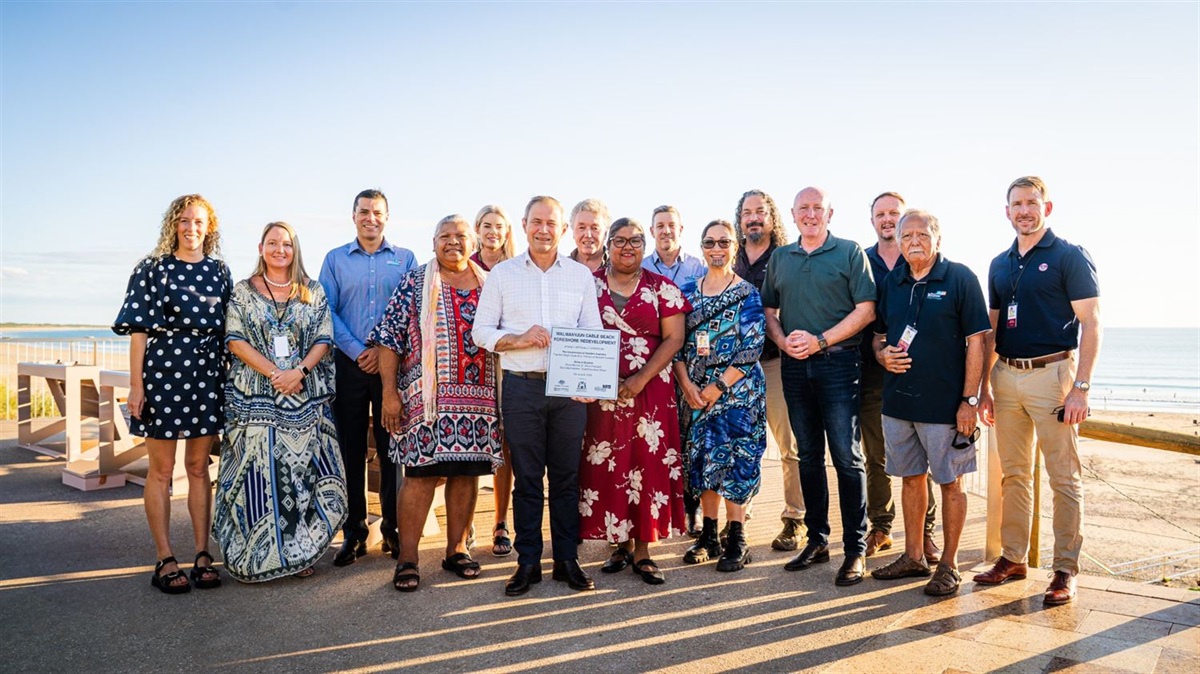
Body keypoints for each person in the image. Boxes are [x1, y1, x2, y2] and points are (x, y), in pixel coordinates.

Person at [975, 176, 1101, 606]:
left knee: (1063, 478)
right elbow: (991, 329)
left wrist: (1080, 388)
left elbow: (1092, 323)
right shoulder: (999, 263)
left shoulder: (1069, 256)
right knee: (1013, 475)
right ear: (1006, 211)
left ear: (1047, 208)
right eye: (1017, 204)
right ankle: (1012, 558)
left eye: (1032, 203)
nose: (1024, 210)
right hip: (1005, 377)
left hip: (1054, 376)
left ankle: (1065, 569)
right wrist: (982, 388)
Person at [473, 195, 603, 597]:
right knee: (527, 479)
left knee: (566, 478)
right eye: (536, 222)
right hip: (522, 386)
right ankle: (527, 562)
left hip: (567, 393)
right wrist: (518, 338)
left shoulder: (579, 275)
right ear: (525, 225)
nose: (544, 229)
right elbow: (482, 331)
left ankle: (566, 560)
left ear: (562, 230)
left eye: (552, 223)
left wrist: (589, 383)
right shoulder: (503, 274)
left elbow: (593, 333)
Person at [370, 215, 504, 591]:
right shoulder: (414, 283)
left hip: (478, 403)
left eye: (460, 236)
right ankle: (408, 558)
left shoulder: (490, 285)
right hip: (425, 404)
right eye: (444, 236)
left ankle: (457, 550)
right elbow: (389, 338)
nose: (453, 242)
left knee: (466, 475)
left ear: (473, 242)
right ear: (433, 243)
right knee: (420, 476)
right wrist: (389, 393)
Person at [213, 221, 347, 581]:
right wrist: (275, 372)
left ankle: (299, 554)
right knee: (255, 474)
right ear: (261, 248)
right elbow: (235, 339)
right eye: (272, 243)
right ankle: (256, 557)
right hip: (254, 398)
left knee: (300, 475)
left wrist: (298, 372)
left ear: (295, 249)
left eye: (286, 244)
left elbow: (324, 337)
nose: (279, 250)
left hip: (303, 399)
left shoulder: (312, 291)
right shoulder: (242, 291)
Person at [113, 194, 232, 594]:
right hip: (162, 377)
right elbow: (139, 333)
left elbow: (233, 330)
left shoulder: (220, 272)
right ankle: (165, 558)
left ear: (209, 227)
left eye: (199, 222)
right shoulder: (153, 268)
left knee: (199, 469)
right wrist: (135, 386)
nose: (191, 228)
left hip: (208, 376)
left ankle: (201, 554)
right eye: (184, 220)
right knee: (161, 472)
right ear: (173, 224)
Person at [869, 210, 989, 596]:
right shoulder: (892, 281)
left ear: (938, 238)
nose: (914, 241)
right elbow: (879, 336)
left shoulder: (960, 278)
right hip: (899, 404)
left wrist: (969, 401)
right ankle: (914, 556)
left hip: (946, 406)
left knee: (950, 483)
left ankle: (949, 565)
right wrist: (882, 356)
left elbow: (978, 341)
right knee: (910, 479)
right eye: (907, 236)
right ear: (898, 241)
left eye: (922, 234)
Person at [764, 186, 875, 586]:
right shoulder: (781, 257)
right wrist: (782, 341)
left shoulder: (849, 252)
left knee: (847, 456)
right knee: (808, 454)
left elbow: (866, 310)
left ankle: (856, 549)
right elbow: (769, 310)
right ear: (793, 215)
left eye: (818, 208)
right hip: (795, 369)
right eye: (803, 209)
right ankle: (818, 540)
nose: (811, 214)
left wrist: (822, 340)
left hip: (839, 364)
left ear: (830, 213)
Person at [581, 218, 689, 585]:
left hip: (651, 393)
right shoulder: (588, 285)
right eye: (620, 240)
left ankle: (643, 551)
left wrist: (640, 378)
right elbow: (576, 334)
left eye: (636, 241)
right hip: (602, 394)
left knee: (647, 465)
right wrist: (605, 380)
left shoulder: (663, 288)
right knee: (609, 464)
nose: (628, 247)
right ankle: (619, 544)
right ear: (608, 245)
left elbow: (674, 339)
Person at [319, 189, 417, 566]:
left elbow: (411, 312)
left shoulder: (406, 259)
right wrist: (358, 350)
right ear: (353, 216)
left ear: (387, 217)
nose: (370, 218)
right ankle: (354, 532)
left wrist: (382, 352)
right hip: (349, 364)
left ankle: (393, 528)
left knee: (393, 448)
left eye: (377, 212)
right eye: (364, 212)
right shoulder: (335, 260)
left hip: (393, 367)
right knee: (351, 450)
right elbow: (326, 310)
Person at [674, 219, 766, 573]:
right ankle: (709, 536)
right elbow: (677, 345)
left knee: (737, 463)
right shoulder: (687, 292)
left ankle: (737, 537)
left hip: (738, 394)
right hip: (696, 395)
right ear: (701, 247)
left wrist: (716, 388)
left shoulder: (747, 293)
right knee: (705, 462)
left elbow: (751, 348)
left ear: (734, 247)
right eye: (710, 243)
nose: (716, 249)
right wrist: (688, 387)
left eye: (723, 243)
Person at [860, 192, 941, 562]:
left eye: (894, 213)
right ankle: (880, 525)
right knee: (875, 454)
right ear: (872, 220)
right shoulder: (860, 260)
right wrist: (879, 353)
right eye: (881, 214)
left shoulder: (926, 260)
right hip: (873, 371)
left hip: (920, 376)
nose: (888, 219)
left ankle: (924, 532)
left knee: (919, 459)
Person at [733, 189, 801, 551]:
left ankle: (795, 518)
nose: (754, 218)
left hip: (775, 363)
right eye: (747, 212)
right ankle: (739, 513)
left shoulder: (786, 258)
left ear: (772, 218)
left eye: (761, 211)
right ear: (740, 219)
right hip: (737, 370)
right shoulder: (729, 256)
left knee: (788, 446)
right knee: (741, 444)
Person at [641, 205, 707, 535]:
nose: (666, 230)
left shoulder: (698, 267)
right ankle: (654, 510)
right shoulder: (638, 267)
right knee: (654, 443)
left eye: (672, 225)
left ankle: (691, 507)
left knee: (690, 440)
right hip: (650, 366)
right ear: (651, 231)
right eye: (660, 226)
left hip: (691, 364)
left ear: (682, 229)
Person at [470, 204, 517, 557]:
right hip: (469, 366)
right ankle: (466, 522)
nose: (492, 232)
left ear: (506, 231)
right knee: (471, 442)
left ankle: (500, 522)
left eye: (498, 226)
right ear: (477, 229)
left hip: (506, 363)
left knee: (505, 445)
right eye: (486, 225)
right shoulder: (463, 265)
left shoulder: (516, 269)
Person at [568, 198, 611, 273]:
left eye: (595, 228)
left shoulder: (618, 268)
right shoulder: (562, 268)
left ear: (605, 233)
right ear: (573, 232)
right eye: (581, 227)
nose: (588, 235)